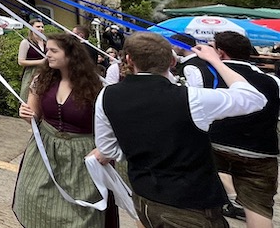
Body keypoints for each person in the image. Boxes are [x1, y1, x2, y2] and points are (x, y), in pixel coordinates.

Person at [94, 32, 268, 228]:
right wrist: (216, 61)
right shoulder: (192, 98)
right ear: (171, 61)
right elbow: (255, 99)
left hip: (144, 198)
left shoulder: (107, 94)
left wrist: (138, 152)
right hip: (190, 206)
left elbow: (107, 148)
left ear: (129, 59)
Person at [12, 33, 110, 227]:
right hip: (45, 151)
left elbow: (110, 124)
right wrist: (27, 116)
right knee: (35, 201)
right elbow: (36, 116)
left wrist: (104, 149)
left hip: (81, 155)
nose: (47, 54)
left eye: (54, 50)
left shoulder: (95, 86)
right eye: (47, 50)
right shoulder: (42, 79)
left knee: (81, 215)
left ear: (71, 55)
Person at [204, 32, 280, 227]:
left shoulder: (208, 75)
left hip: (216, 145)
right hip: (259, 150)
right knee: (258, 209)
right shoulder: (272, 81)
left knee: (207, 204)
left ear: (220, 53)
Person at [18, 19, 47, 100]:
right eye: (38, 27)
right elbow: (21, 61)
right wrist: (40, 62)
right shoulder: (26, 42)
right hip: (31, 73)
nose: (41, 28)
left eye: (42, 27)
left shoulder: (46, 42)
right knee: (30, 97)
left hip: (46, 72)